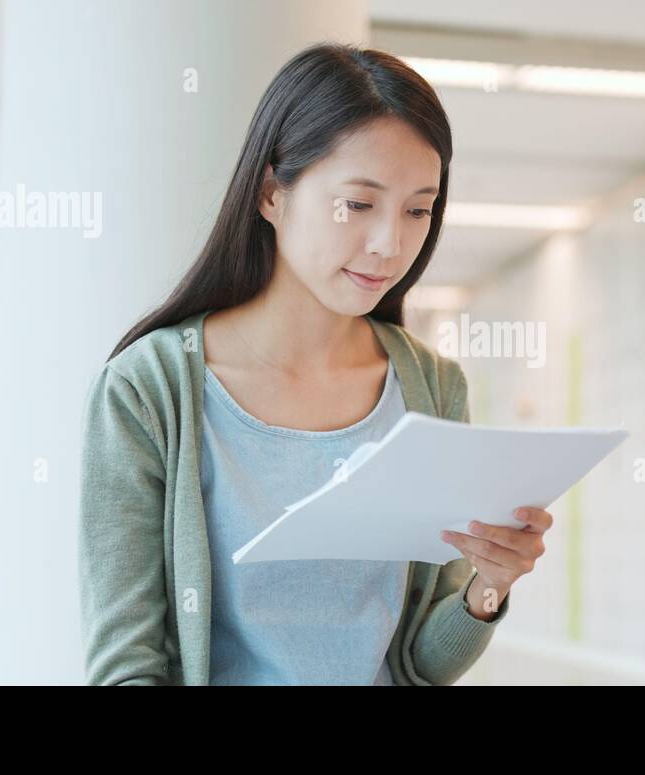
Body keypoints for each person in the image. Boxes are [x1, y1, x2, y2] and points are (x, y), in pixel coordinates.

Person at [77, 43, 552, 685]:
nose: (390, 244)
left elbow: (421, 666)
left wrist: (488, 587)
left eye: (418, 209)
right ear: (272, 193)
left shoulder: (433, 386)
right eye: (358, 205)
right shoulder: (147, 391)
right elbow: (125, 666)